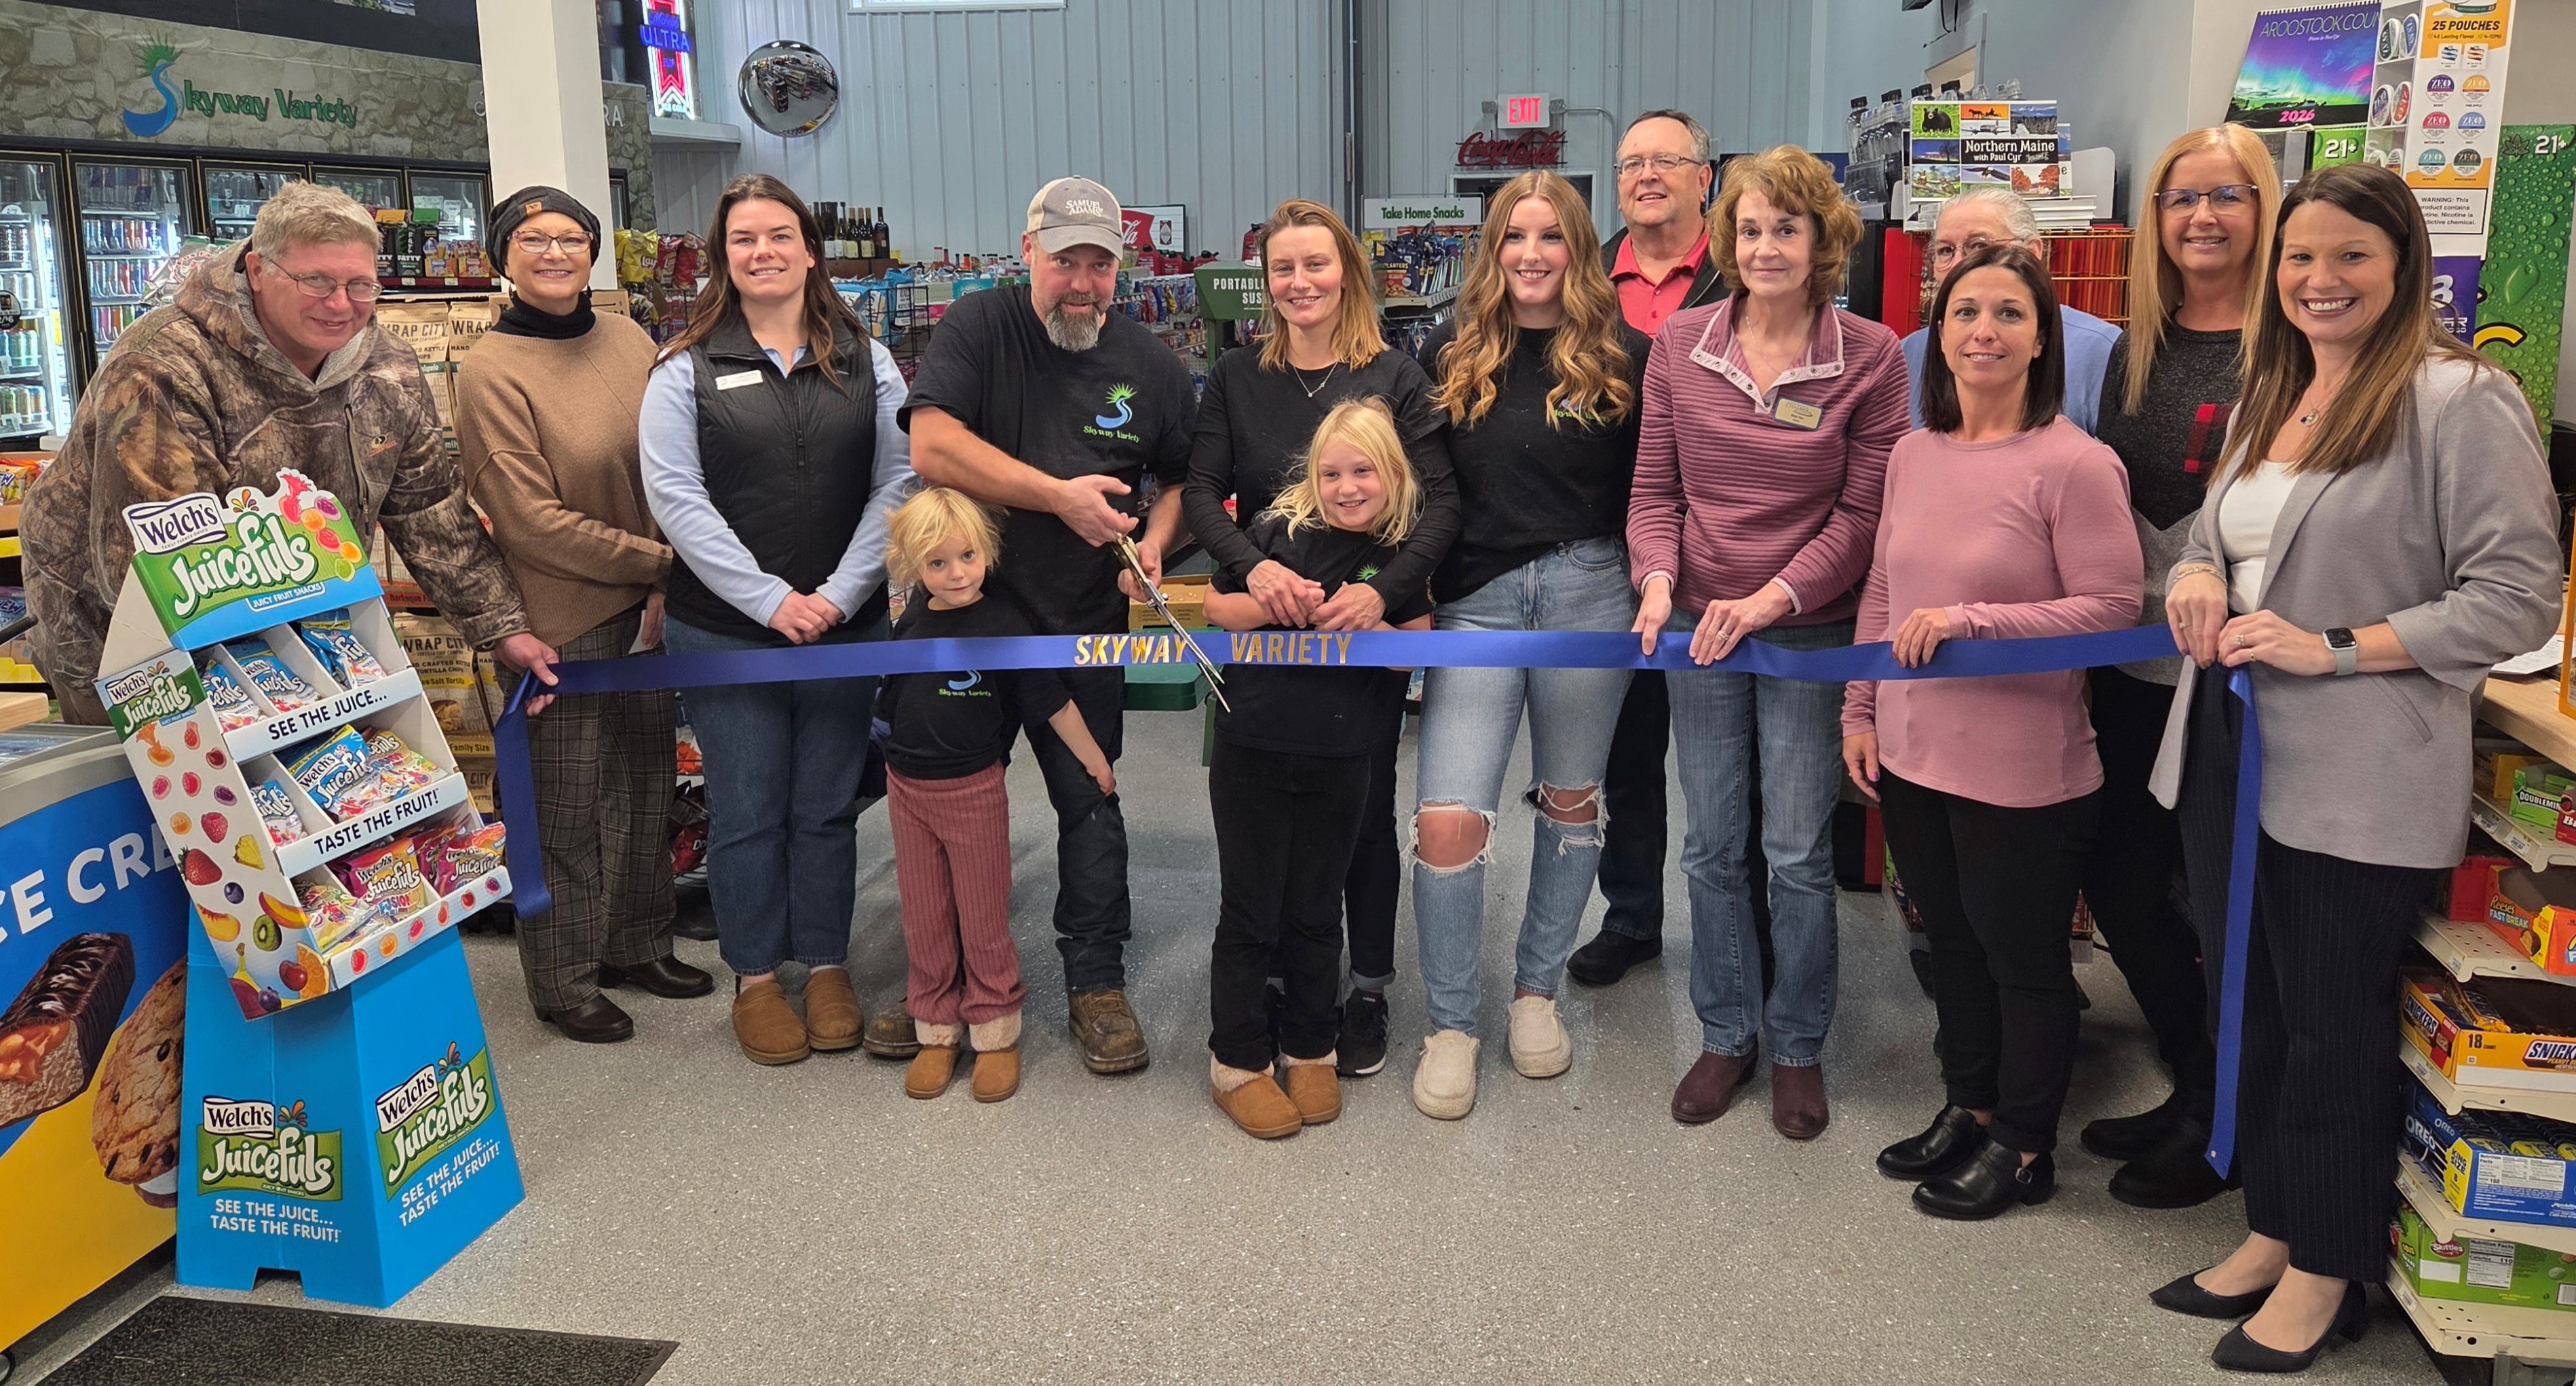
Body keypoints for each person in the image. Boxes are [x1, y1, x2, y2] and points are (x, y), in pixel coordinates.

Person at [2152, 163, 2559, 1373]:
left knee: (2331, 1024)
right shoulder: (2275, 388)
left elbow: (2515, 597)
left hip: (2359, 766)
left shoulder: (2457, 397)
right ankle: (2274, 1225)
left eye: (2350, 259)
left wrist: (2338, 650)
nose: (2318, 281)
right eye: (2301, 258)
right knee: (2258, 1009)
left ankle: (2329, 1266)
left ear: (2404, 271)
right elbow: (2211, 533)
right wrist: (2190, 574)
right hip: (2234, 745)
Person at [1846, 244, 2144, 1220]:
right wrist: (1861, 705)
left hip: (2024, 764)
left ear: (2043, 338)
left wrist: (1976, 621)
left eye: (2010, 313)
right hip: (1916, 747)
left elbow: (2112, 606)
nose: (1984, 330)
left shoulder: (2076, 463)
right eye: (1966, 311)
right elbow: (1886, 589)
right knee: (1954, 947)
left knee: (2022, 957)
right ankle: (1969, 1104)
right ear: (1938, 335)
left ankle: (2025, 1143)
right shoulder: (1914, 454)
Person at [24, 180, 553, 724]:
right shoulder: (163, 368)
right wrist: (264, 693)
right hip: (121, 640)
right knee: (169, 801)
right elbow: (158, 560)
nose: (341, 304)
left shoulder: (386, 366)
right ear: (257, 270)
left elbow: (428, 507)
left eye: (360, 285)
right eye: (316, 281)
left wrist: (500, 626)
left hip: (301, 629)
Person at [1627, 145, 1910, 1138]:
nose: (1765, 245)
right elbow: (1655, 490)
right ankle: (1726, 1031)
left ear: (1823, 237)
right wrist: (1659, 580)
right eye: (1749, 228)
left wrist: (1774, 599)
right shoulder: (1683, 346)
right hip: (1701, 627)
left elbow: (1863, 515)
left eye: (1786, 226)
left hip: (1808, 630)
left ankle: (1796, 1045)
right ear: (1727, 237)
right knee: (1710, 844)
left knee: (1794, 850)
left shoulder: (1871, 356)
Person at [903, 176, 1196, 1076]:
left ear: (1122, 269)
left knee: (1091, 797)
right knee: (941, 806)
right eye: (1064, 259)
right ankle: (939, 992)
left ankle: (1096, 980)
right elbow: (933, 444)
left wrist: (1153, 541)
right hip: (963, 624)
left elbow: (1184, 478)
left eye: (1098, 264)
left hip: (1082, 626)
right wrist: (1058, 498)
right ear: (1026, 251)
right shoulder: (979, 328)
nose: (1081, 281)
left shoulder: (1150, 363)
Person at [639, 174, 914, 1068]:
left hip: (847, 618)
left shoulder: (866, 358)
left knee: (828, 803)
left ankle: (827, 960)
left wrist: (837, 592)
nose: (763, 251)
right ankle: (756, 974)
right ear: (724, 256)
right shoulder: (685, 368)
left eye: (780, 234)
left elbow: (898, 482)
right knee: (750, 805)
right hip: (725, 628)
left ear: (808, 249)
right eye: (745, 238)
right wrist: (769, 599)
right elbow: (676, 498)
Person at [1180, 197, 1458, 1081]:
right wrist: (1252, 573)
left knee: (1363, 813)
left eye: (1317, 264)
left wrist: (1382, 595)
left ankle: (1365, 988)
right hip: (1269, 640)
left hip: (1361, 642)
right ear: (1265, 285)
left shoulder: (1396, 374)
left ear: (1349, 272)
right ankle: (1278, 982)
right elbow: (1200, 493)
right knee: (1270, 815)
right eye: (1283, 269)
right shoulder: (1237, 378)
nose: (1301, 282)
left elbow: (1442, 503)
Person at [1409, 170, 1649, 1122]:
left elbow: (1655, 488)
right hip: (1476, 601)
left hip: (1593, 589)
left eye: (1552, 236)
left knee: (1571, 802)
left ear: (1580, 250)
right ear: (1493, 248)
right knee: (1447, 821)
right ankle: (1453, 1023)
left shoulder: (1626, 353)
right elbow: (1420, 490)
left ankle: (1535, 993)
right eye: (1516, 235)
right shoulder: (1447, 350)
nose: (1533, 254)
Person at [453, 185, 710, 1044]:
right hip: (559, 615)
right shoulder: (491, 369)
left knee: (644, 781)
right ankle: (563, 977)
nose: (555, 252)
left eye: (570, 237)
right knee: (561, 805)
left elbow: (674, 458)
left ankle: (638, 939)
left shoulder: (630, 336)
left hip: (650, 600)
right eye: (532, 239)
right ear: (504, 255)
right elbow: (528, 518)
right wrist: (663, 563)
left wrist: (665, 577)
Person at [2077, 126, 2277, 1212]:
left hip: (2238, 667)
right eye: (2182, 197)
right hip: (2128, 655)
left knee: (2217, 891)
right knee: (2119, 876)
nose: (2203, 216)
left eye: (2229, 196)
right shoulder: (2131, 343)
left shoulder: (2296, 341)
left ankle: (2226, 1116)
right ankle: (2195, 1075)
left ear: (2265, 208)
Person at [1201, 399, 1434, 1139]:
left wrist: (1377, 621)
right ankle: (1236, 1060)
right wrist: (1266, 596)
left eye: (1363, 470)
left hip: (1345, 756)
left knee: (1314, 906)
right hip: (1251, 748)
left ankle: (1311, 1044)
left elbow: (1416, 652)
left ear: (1392, 473)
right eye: (1331, 472)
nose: (1346, 486)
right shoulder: (1275, 533)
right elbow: (1214, 607)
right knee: (1248, 908)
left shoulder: (1402, 557)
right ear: (1312, 478)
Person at [877, 487, 1113, 1105]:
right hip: (906, 789)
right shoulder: (911, 620)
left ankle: (994, 1030)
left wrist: (1094, 761)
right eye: (937, 563)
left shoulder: (1007, 624)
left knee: (982, 918)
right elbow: (893, 695)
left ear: (987, 554)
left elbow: (1052, 702)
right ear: (911, 567)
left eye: (967, 557)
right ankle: (935, 1028)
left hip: (974, 791)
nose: (955, 574)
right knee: (925, 915)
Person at [1571, 108, 1724, 992]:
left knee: (1724, 763)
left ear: (1706, 176)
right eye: (1631, 162)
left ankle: (1735, 924)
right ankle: (1632, 915)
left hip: (1728, 554)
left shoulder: (1746, 274)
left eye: (1666, 159)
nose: (1646, 174)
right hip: (1613, 551)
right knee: (1628, 753)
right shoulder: (1584, 283)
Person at [1899, 186, 2122, 433]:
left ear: (2032, 253)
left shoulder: (2103, 350)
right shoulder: (1908, 353)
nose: (1960, 264)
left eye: (1980, 247)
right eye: (1945, 251)